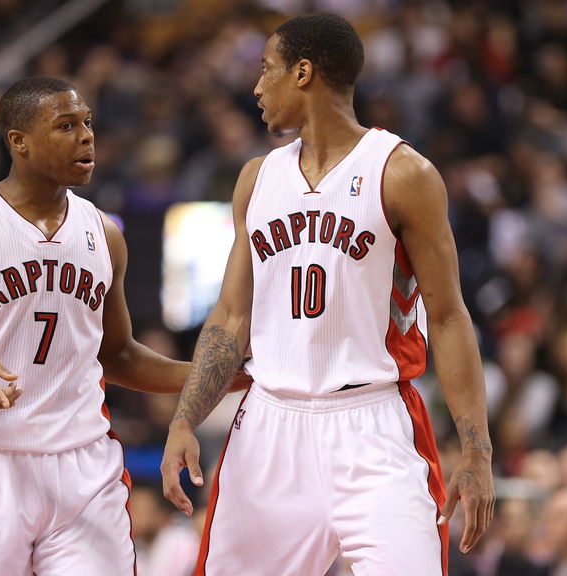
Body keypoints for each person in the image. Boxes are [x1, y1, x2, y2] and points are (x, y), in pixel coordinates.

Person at [160, 12, 495, 575]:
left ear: (303, 73)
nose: (256, 87)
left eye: (267, 69)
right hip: (269, 423)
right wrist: (184, 420)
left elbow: (449, 317)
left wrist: (477, 449)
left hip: (373, 425)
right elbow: (231, 315)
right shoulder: (256, 179)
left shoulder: (402, 173)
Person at [0, 76, 196, 576]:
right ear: (19, 141)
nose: (86, 136)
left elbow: (119, 355)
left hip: (84, 464)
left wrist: (218, 374)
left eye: (88, 123)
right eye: (66, 126)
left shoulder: (105, 233)